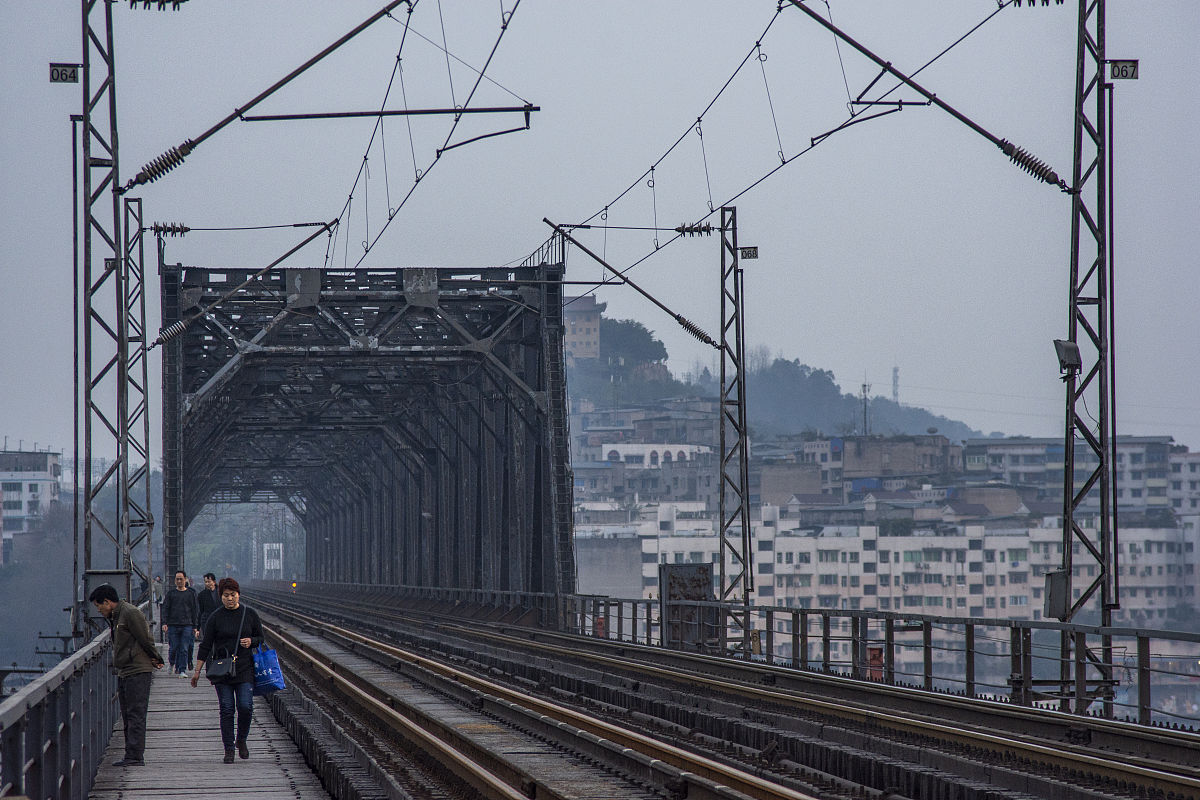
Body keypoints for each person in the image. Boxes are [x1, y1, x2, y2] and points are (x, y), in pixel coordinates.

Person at [89, 583, 164, 766]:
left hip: (137, 669)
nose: (98, 610)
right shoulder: (117, 615)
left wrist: (156, 657)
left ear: (107, 602)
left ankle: (135, 756)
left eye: (99, 606)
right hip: (125, 670)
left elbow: (145, 638)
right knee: (128, 713)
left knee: (135, 713)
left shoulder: (130, 613)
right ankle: (131, 753)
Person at [191, 577, 264, 763]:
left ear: (238, 594)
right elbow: (205, 646)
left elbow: (260, 638)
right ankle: (229, 749)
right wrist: (197, 671)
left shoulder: (249, 614)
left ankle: (241, 739)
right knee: (227, 708)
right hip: (222, 670)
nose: (230, 599)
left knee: (246, 706)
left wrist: (251, 641)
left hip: (244, 668)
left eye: (233, 595)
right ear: (221, 596)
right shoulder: (215, 618)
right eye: (225, 595)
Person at [160, 570, 199, 676]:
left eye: (181, 579)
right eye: (177, 579)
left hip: (187, 624)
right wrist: (164, 623)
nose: (179, 581)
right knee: (173, 647)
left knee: (184, 648)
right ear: (175, 580)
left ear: (185, 579)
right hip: (173, 624)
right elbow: (166, 608)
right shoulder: (171, 594)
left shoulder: (190, 594)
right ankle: (172, 663)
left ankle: (182, 670)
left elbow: (195, 610)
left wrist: (195, 626)